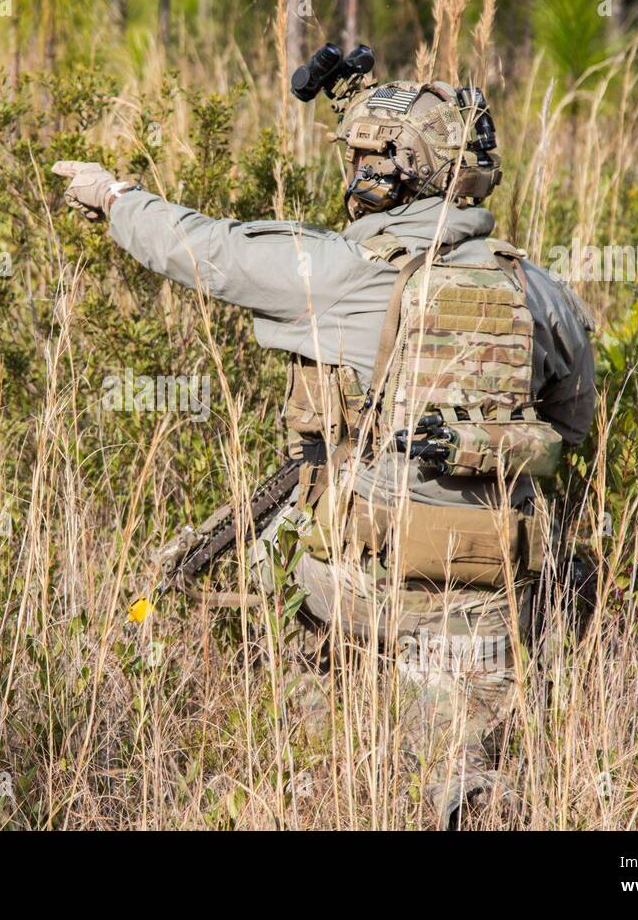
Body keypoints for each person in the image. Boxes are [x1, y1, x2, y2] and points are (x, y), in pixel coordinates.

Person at [53, 76, 596, 828]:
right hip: (490, 598)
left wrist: (116, 198)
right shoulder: (543, 292)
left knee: (202, 574)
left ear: (384, 170)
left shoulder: (343, 273)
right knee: (466, 781)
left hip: (356, 577)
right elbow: (569, 434)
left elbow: (208, 251)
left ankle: (289, 747)